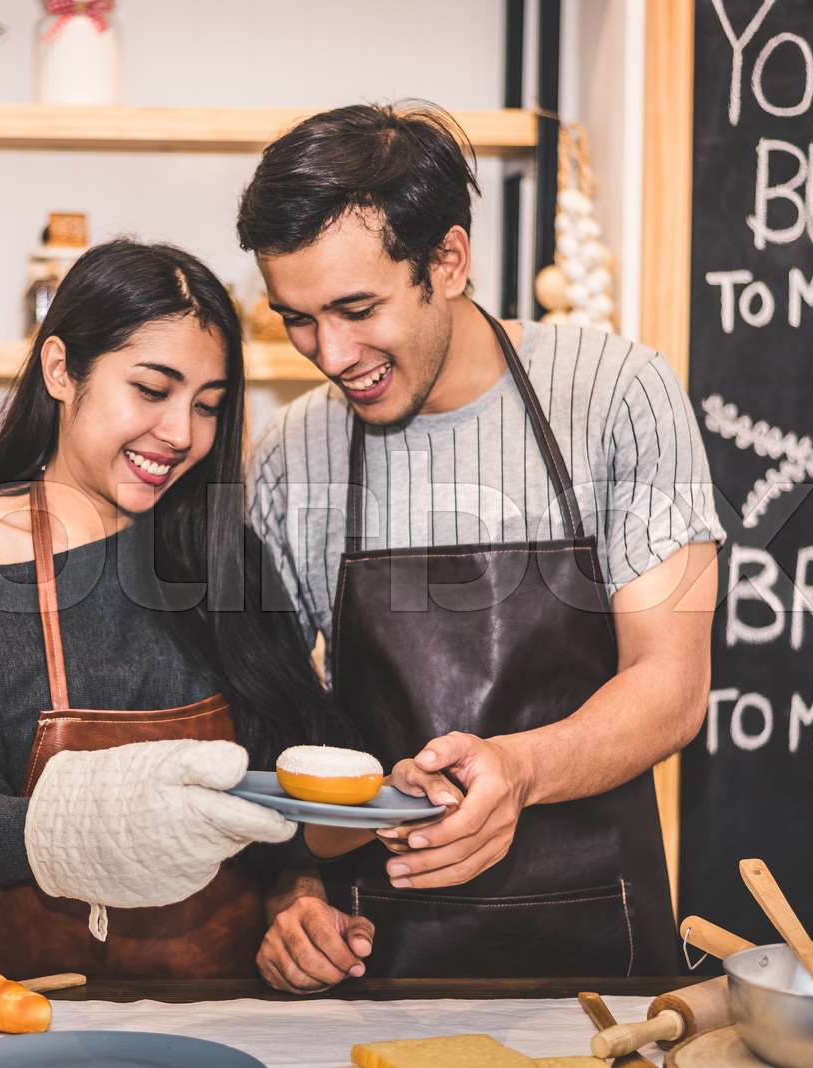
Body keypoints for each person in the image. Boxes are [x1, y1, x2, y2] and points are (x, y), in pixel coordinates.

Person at [239, 102, 726, 989]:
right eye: (298, 319)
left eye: (357, 308)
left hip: (599, 972)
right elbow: (275, 727)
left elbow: (673, 684)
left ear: (449, 262)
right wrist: (294, 891)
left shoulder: (617, 395)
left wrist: (520, 769)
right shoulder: (291, 454)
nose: (332, 353)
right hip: (372, 963)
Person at [0, 239, 347, 980]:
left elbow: (285, 786)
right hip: (23, 1009)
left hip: (219, 1013)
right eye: (152, 389)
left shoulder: (227, 555)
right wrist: (83, 831)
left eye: (208, 406)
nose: (182, 433)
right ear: (62, 370)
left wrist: (297, 898)